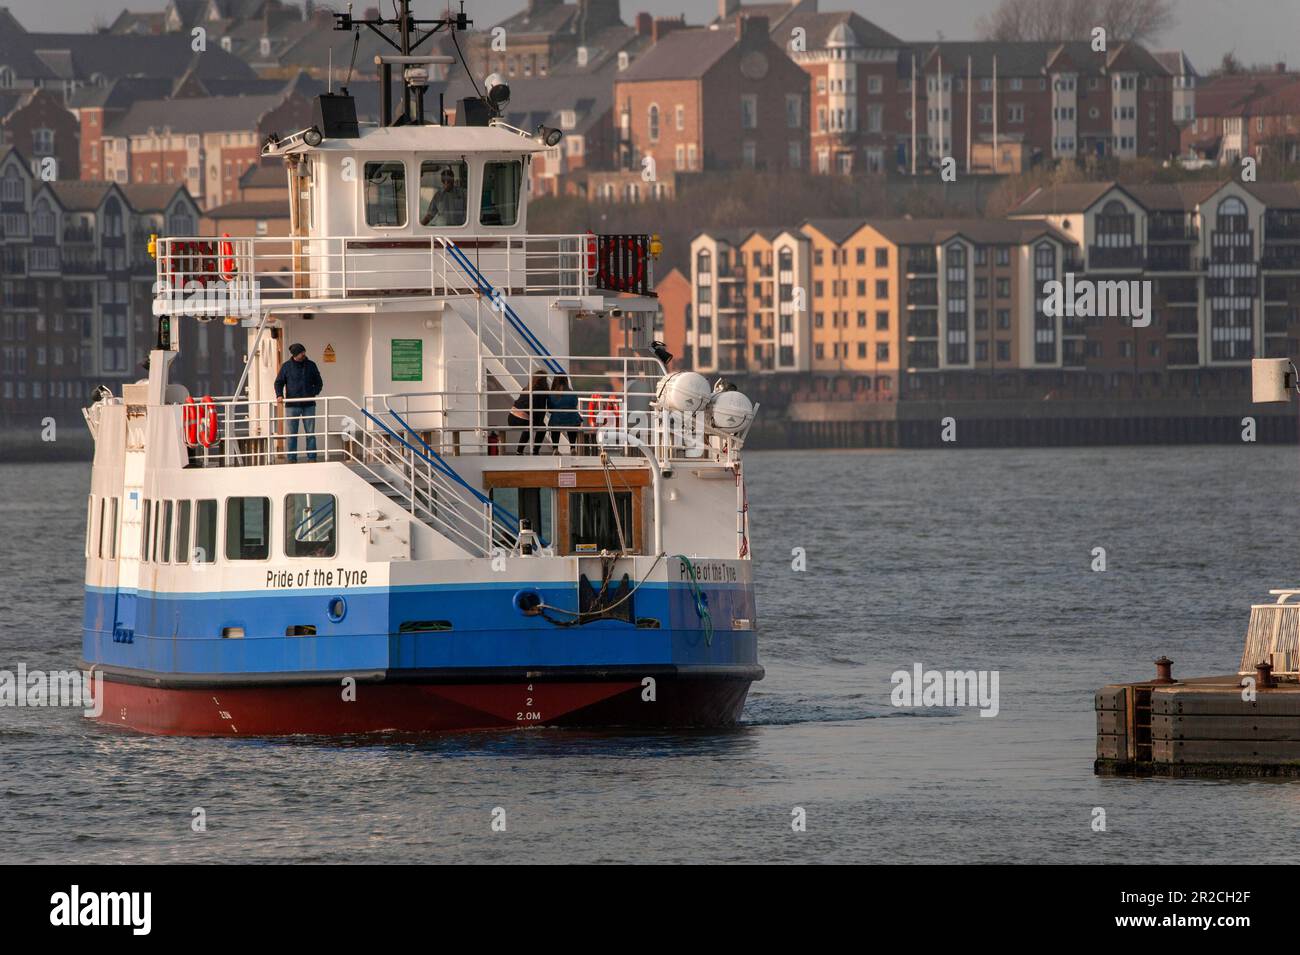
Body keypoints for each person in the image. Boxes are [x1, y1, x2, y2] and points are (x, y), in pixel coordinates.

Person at [275, 343, 323, 462]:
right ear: (295, 354)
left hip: (309, 404)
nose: (304, 354)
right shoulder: (286, 367)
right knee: (292, 434)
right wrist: (279, 395)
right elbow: (279, 382)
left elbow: (319, 382)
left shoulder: (311, 365)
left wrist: (313, 392)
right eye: (301, 352)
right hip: (292, 405)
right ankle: (292, 459)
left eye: (304, 352)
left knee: (310, 433)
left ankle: (312, 458)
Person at [513, 372, 550, 455]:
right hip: (523, 419)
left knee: (529, 424)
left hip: (512, 418)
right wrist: (540, 423)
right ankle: (535, 451)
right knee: (542, 427)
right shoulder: (541, 391)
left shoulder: (526, 388)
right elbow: (541, 410)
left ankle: (519, 450)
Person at [546, 374, 582, 454]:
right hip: (572, 419)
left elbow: (550, 409)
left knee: (554, 423)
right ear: (566, 381)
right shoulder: (572, 393)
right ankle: (572, 447)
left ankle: (555, 448)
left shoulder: (552, 394)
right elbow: (574, 404)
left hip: (557, 420)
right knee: (572, 421)